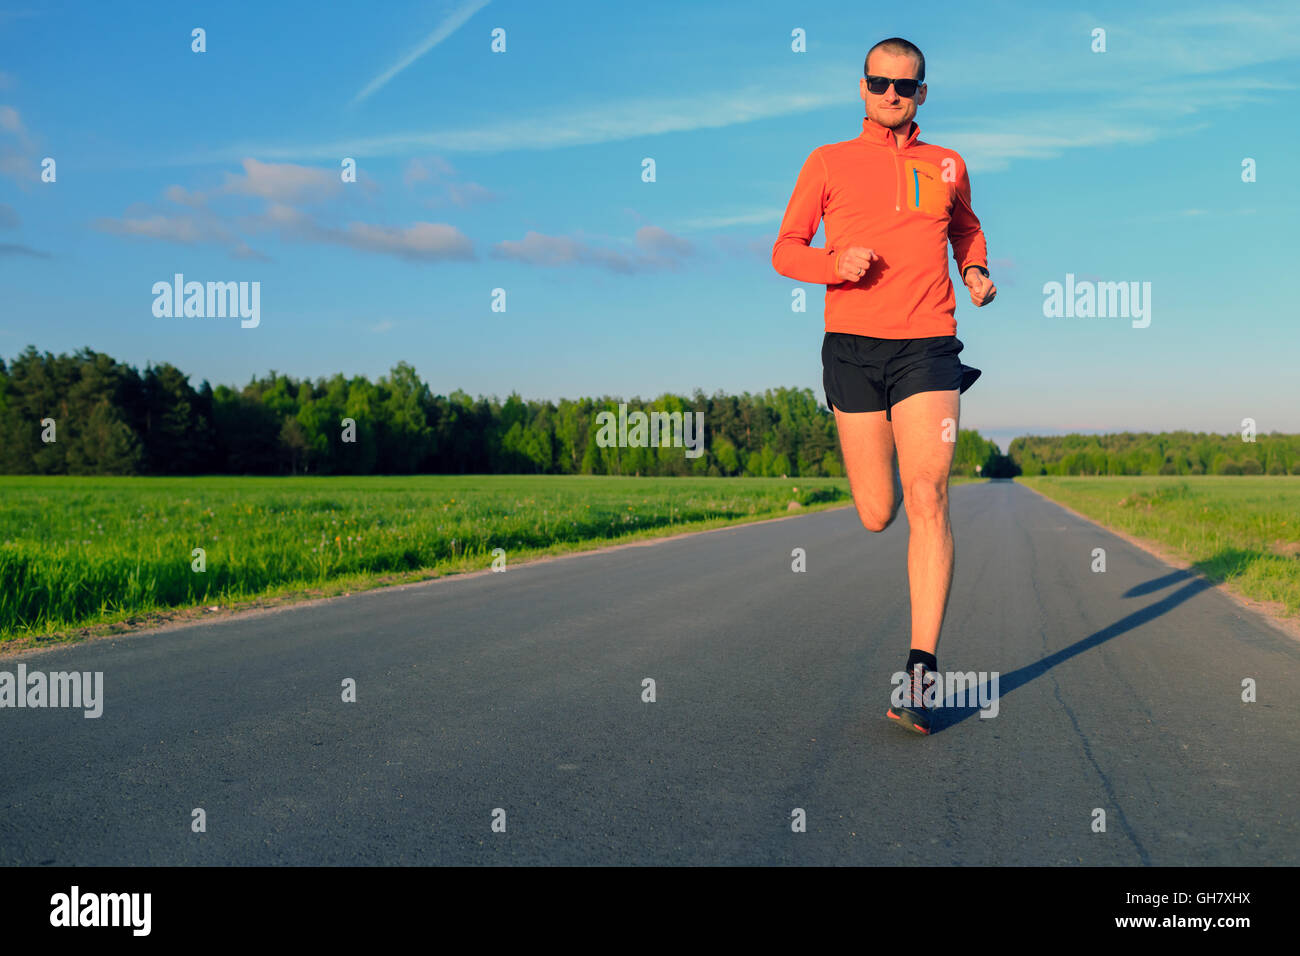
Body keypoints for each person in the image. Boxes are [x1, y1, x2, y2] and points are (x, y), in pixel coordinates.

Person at [771, 36, 996, 734]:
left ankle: (921, 672)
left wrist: (977, 270)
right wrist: (836, 263)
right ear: (862, 88)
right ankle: (882, 463)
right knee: (878, 510)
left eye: (905, 85)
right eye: (879, 83)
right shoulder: (828, 161)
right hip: (853, 350)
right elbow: (785, 249)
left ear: (923, 91)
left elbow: (966, 228)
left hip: (928, 344)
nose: (891, 94)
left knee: (929, 492)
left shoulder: (948, 163)